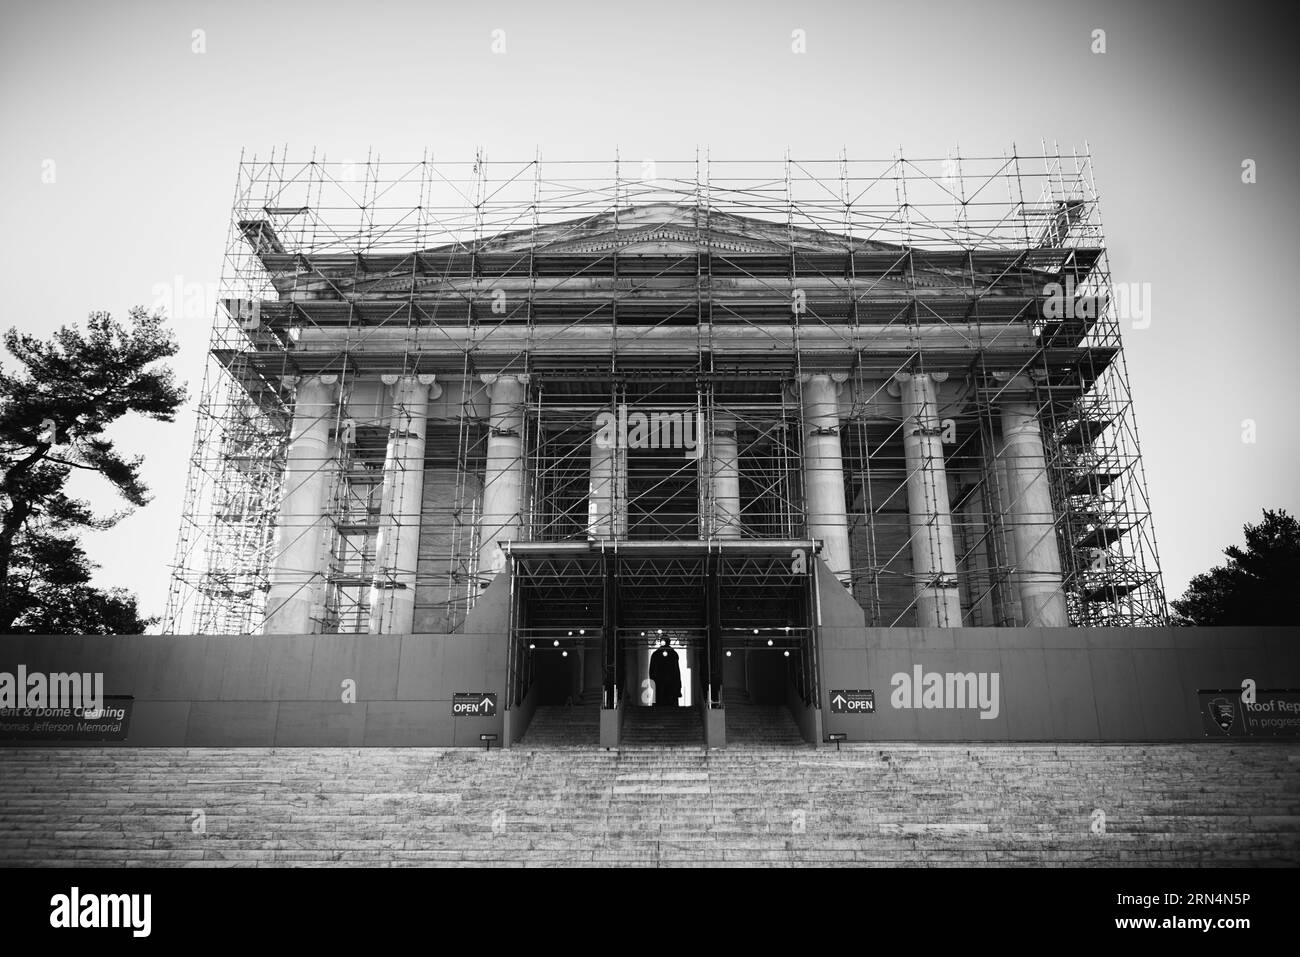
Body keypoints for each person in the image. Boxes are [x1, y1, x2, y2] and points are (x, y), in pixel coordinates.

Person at [647, 639, 681, 708]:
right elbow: (677, 672)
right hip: (670, 682)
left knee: (660, 700)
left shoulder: (655, 654)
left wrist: (652, 682)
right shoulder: (673, 654)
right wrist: (678, 687)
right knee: (669, 702)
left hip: (660, 682)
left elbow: (651, 670)